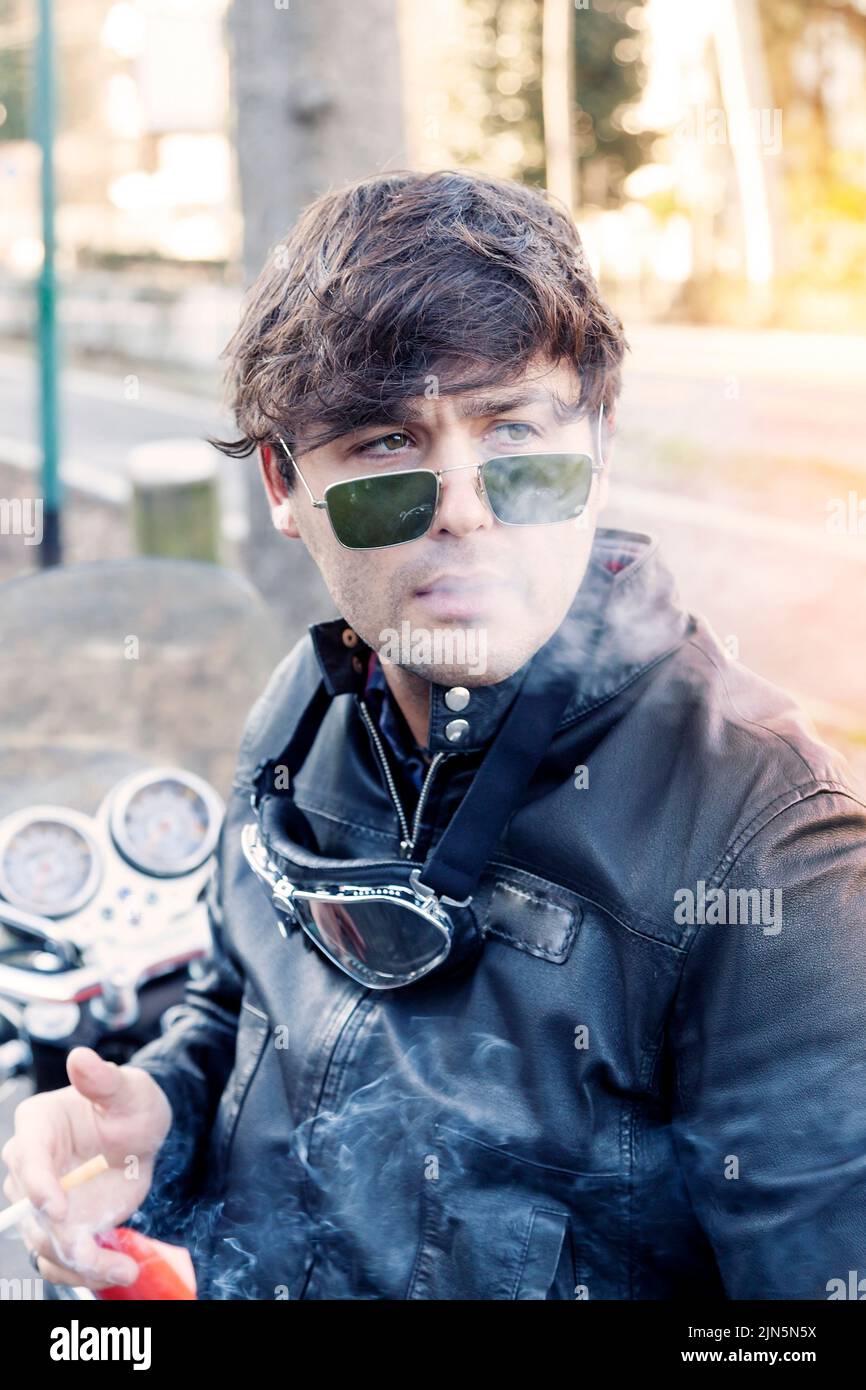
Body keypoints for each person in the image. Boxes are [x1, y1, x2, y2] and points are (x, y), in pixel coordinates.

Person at [4, 169, 866, 1300]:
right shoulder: (304, 708)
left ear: (596, 446)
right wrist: (161, 1105)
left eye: (512, 429)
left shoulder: (771, 849)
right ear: (281, 481)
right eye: (382, 445)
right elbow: (240, 992)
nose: (462, 502)